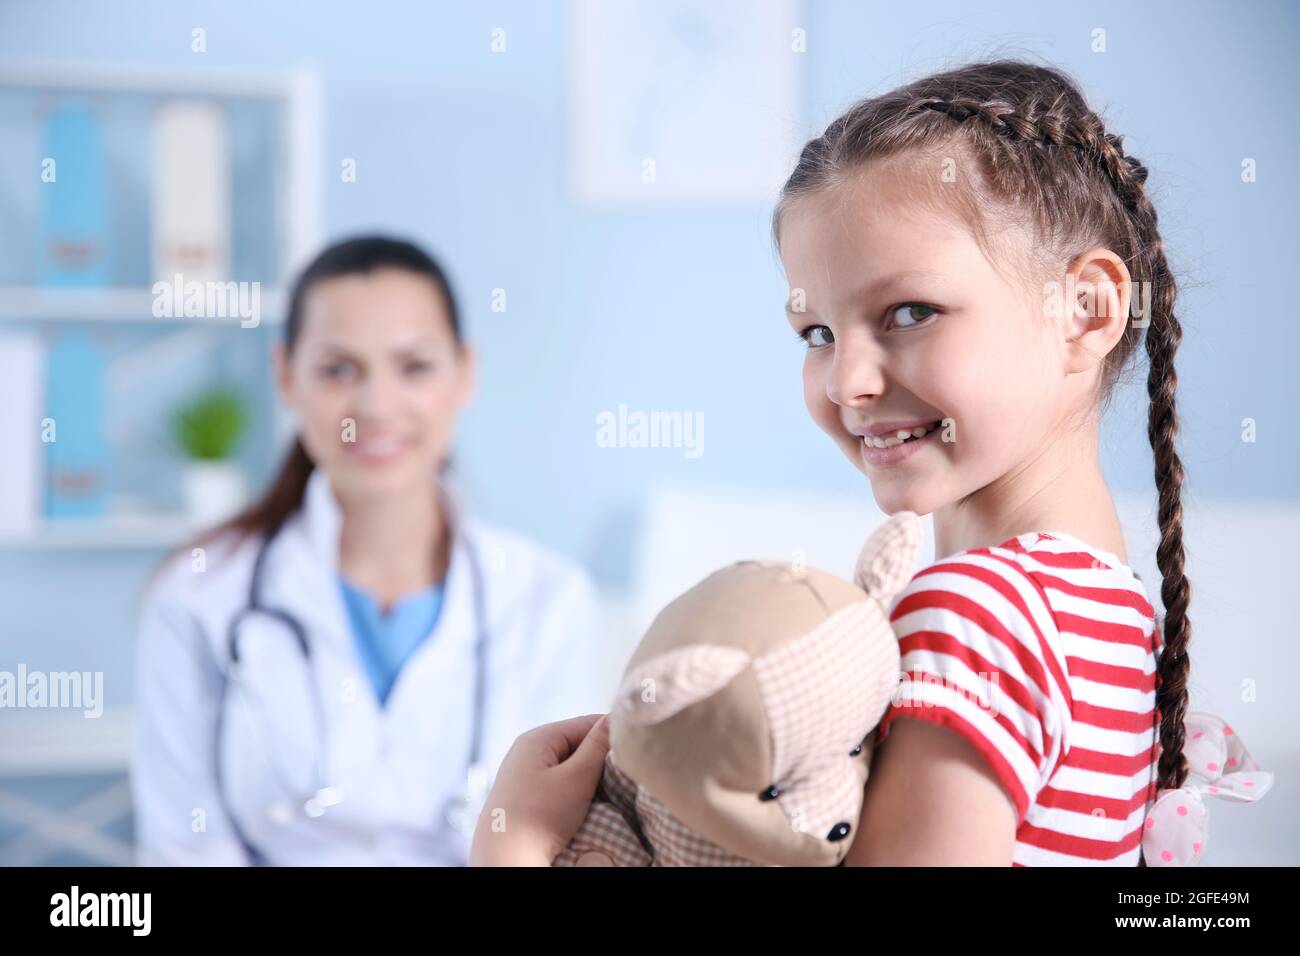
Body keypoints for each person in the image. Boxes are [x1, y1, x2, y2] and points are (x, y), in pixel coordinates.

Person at [471, 59, 1188, 866]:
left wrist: (518, 845)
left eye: (909, 313)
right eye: (818, 334)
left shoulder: (975, 615)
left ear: (1085, 312)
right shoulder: (1115, 611)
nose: (847, 381)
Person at [132, 235, 607, 865]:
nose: (376, 406)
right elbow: (184, 849)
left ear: (464, 373)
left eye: (414, 367)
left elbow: (561, 843)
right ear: (286, 377)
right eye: (338, 370)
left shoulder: (550, 597)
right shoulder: (196, 596)